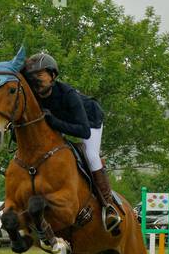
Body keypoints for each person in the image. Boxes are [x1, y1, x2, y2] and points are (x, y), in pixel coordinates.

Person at [22, 52, 122, 232]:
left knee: (91, 155)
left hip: (89, 121)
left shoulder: (68, 94)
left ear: (52, 75)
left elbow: (82, 130)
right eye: (32, 77)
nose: (35, 80)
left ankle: (109, 206)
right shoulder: (35, 96)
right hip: (65, 123)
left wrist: (54, 122)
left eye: (40, 75)